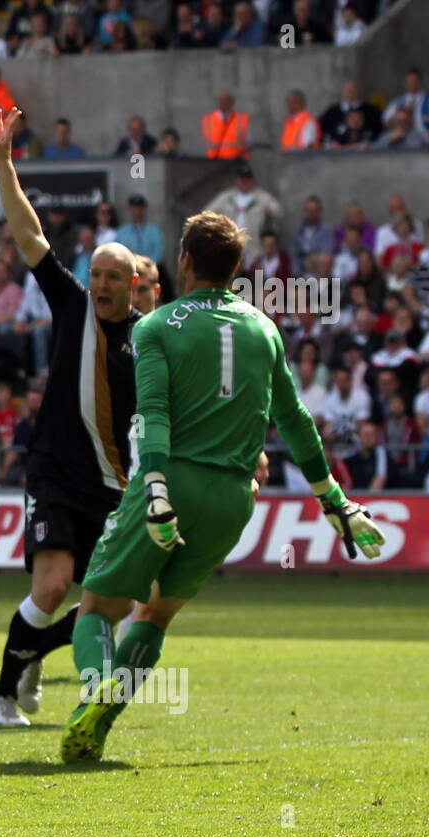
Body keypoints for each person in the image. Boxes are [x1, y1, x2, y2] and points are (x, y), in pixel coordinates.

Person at [57, 210, 385, 764]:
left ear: (185, 261)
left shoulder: (155, 327)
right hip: (235, 497)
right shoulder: (265, 329)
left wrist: (156, 488)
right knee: (155, 615)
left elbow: (155, 411)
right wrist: (333, 497)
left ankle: (97, 688)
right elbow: (297, 419)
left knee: (94, 609)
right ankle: (100, 723)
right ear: (236, 269)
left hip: (173, 481)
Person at [0, 109, 147, 727]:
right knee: (51, 590)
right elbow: (29, 236)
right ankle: (1, 694)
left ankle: (29, 655)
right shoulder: (71, 302)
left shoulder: (147, 339)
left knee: (122, 599)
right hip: (53, 470)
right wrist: (4, 163)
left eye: (112, 278)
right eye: (95, 274)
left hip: (113, 483)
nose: (100, 285)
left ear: (133, 284)